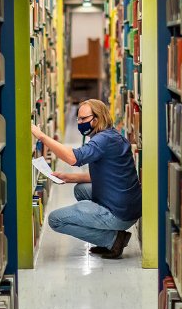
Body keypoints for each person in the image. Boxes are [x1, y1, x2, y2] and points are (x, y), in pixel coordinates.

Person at [31, 99, 142, 259]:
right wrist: (69, 178)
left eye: (84, 119)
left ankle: (113, 240)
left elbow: (73, 158)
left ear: (97, 119)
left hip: (120, 213)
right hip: (129, 206)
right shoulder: (111, 136)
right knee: (80, 189)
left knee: (55, 220)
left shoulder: (102, 141)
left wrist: (41, 136)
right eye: (78, 119)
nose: (80, 122)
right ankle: (109, 232)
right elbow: (106, 174)